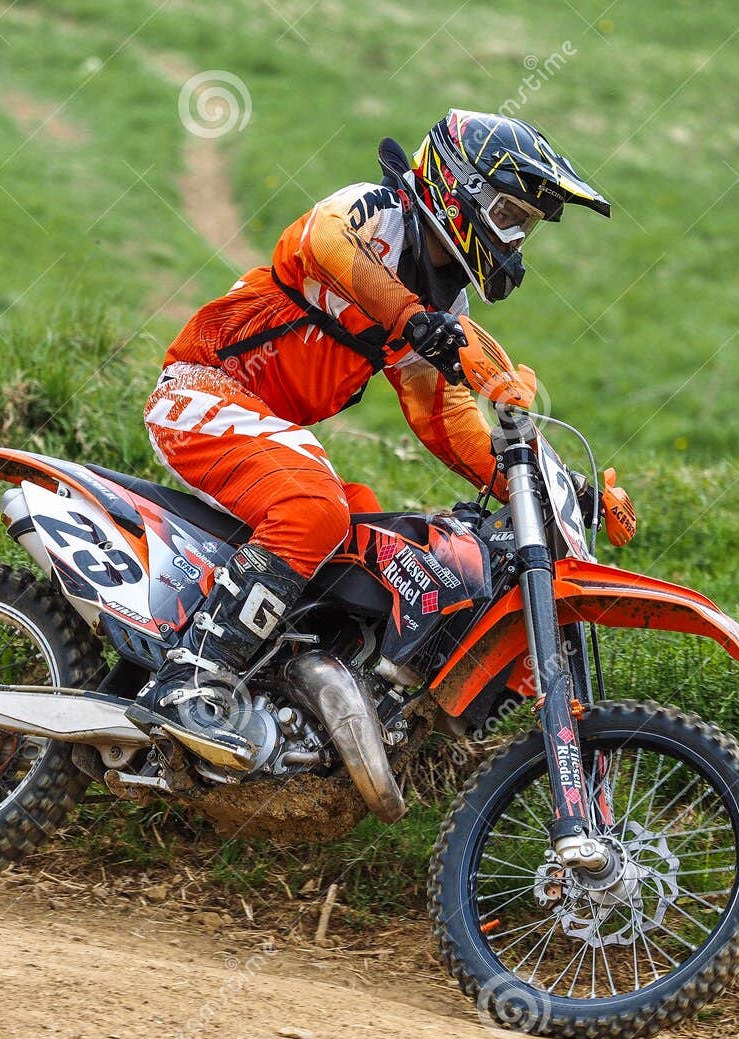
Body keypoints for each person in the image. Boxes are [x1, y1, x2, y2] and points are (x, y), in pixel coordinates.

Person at [128, 108, 611, 760]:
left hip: (258, 422)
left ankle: (292, 704)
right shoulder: (374, 211)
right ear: (458, 188)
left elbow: (445, 420)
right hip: (202, 391)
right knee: (314, 509)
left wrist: (543, 485)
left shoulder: (441, 307)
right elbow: (330, 245)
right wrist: (411, 319)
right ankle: (190, 683)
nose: (514, 239)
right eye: (508, 215)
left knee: (371, 540)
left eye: (523, 226)